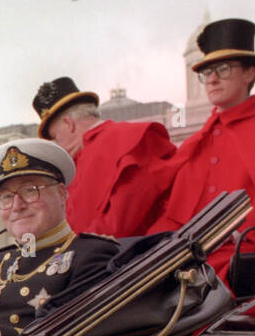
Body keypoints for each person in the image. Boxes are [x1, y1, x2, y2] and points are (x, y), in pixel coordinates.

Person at [148, 18, 255, 286]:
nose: (212, 80)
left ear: (250, 74)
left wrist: (232, 239)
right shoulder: (198, 141)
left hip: (237, 254)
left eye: (223, 69)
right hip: (185, 253)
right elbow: (173, 212)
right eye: (207, 73)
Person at [0, 138, 121, 336]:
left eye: (30, 190)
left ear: (61, 194)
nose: (17, 206)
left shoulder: (93, 255)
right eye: (6, 197)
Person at [32, 77, 176, 238]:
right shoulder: (77, 160)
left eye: (56, 137)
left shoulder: (132, 139)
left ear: (69, 124)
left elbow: (120, 224)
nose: (58, 145)